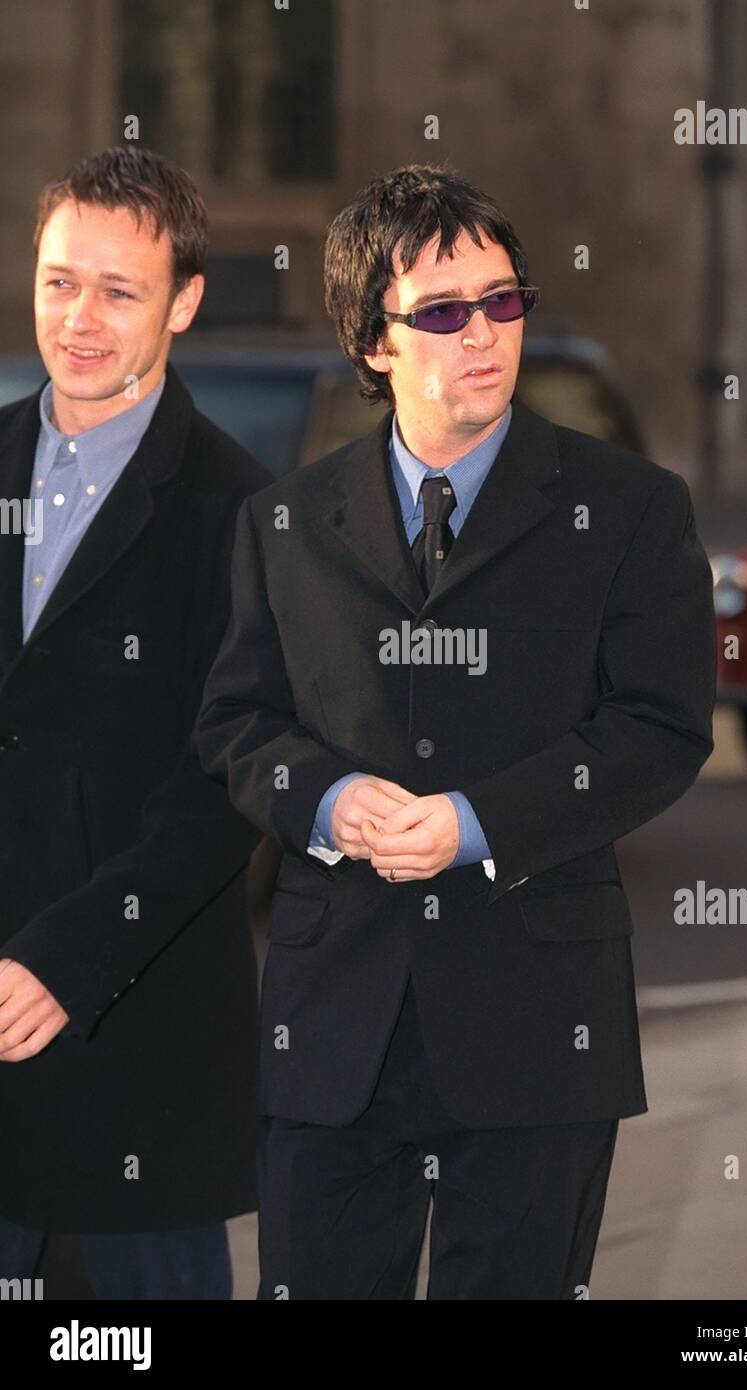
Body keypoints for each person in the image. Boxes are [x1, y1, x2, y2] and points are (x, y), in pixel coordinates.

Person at [195, 163, 717, 1300]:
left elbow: (658, 728)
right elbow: (237, 722)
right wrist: (326, 802)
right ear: (371, 340)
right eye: (440, 312)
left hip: (538, 1035)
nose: (481, 332)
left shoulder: (629, 508)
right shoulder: (282, 524)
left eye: (502, 299)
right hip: (332, 1033)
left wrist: (477, 822)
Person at [0, 146, 270, 1299]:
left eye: (120, 290)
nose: (82, 318)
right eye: (62, 280)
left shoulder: (240, 507)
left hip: (133, 1032)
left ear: (185, 301)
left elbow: (225, 786)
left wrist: (64, 960)